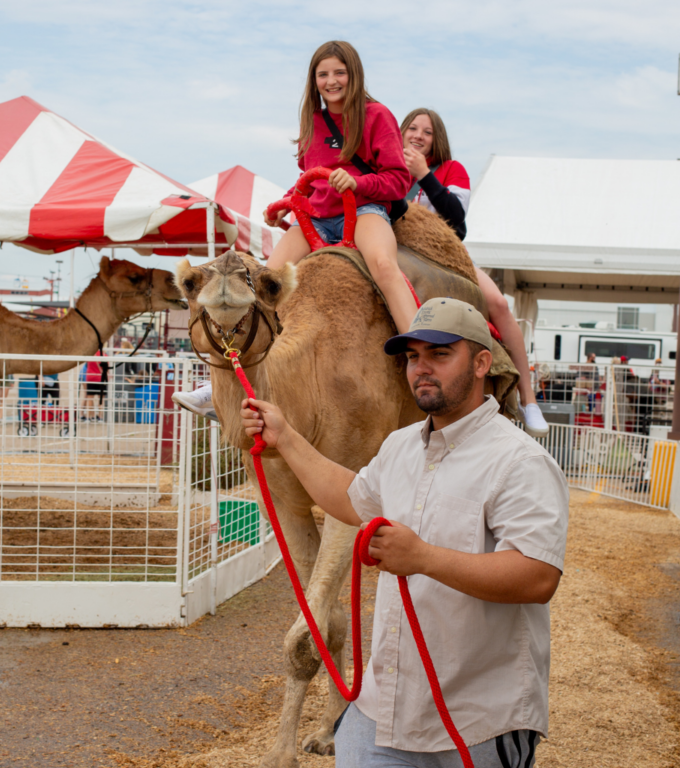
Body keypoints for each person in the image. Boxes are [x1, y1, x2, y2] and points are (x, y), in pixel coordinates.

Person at [240, 297, 568, 767]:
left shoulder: (521, 462)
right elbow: (352, 498)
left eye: (439, 354)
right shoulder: (400, 446)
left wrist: (423, 558)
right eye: (413, 356)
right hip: (380, 712)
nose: (421, 368)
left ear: (480, 364)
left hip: (476, 722)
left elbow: (537, 578)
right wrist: (287, 437)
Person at [173, 40, 413, 421]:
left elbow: (398, 180)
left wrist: (357, 184)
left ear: (353, 74)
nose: (331, 81)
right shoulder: (313, 122)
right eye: (323, 74)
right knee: (262, 283)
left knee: (384, 265)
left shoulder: (377, 115)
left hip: (364, 208)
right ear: (314, 80)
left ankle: (422, 359)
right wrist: (284, 203)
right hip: (316, 217)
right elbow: (308, 179)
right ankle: (222, 380)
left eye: (339, 72)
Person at [400, 107, 549, 438]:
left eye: (427, 131)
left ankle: (528, 398)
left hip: (444, 253)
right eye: (412, 128)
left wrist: (425, 174)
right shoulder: (388, 168)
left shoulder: (452, 169)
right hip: (395, 251)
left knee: (499, 303)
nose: (419, 136)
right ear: (400, 133)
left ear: (437, 140)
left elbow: (457, 222)